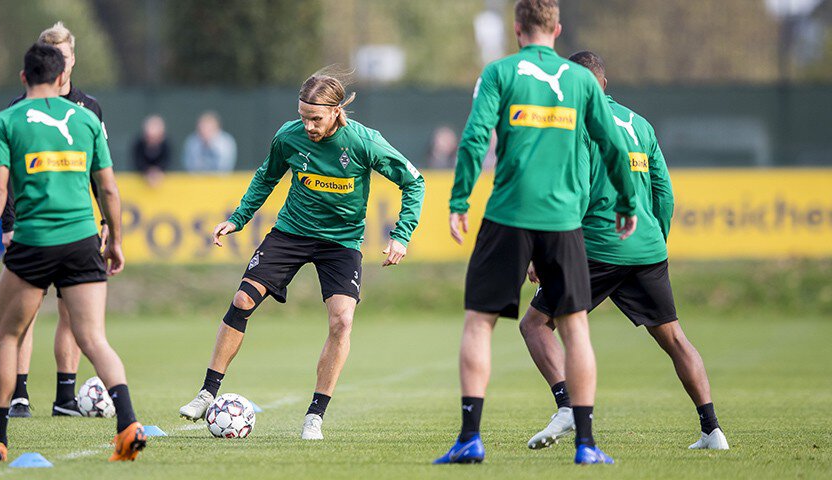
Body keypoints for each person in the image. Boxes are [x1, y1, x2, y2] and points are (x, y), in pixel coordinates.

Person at [435, 0, 638, 465]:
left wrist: (459, 200)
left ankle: (470, 438)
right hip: (564, 222)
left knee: (479, 323)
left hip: (508, 214)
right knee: (576, 328)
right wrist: (628, 200)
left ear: (517, 28)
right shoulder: (583, 81)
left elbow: (473, 138)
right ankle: (586, 445)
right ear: (558, 29)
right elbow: (611, 145)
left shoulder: (500, 72)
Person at [178, 69, 425, 440]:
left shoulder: (364, 143)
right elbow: (266, 176)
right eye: (303, 116)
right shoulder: (288, 136)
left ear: (337, 111)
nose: (308, 125)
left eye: (316, 118)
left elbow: (414, 181)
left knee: (342, 321)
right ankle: (206, 393)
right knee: (242, 299)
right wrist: (238, 219)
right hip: (292, 232)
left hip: (341, 243)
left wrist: (401, 236)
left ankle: (315, 416)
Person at [521, 51, 729, 452]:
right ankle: (712, 430)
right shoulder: (639, 124)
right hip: (646, 248)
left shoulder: (577, 124)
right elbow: (664, 194)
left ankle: (567, 406)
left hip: (597, 247)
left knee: (534, 324)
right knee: (675, 339)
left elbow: (576, 191)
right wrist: (653, 241)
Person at [0, 42, 145, 462]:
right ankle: (129, 425)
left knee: (8, 336)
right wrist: (115, 240)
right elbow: (109, 188)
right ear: (63, 76)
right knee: (94, 339)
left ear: (23, 77)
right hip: (83, 240)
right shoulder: (86, 118)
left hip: (33, 241)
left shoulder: (5, 121)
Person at [1, 21, 109, 419]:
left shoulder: (90, 109)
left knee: (73, 314)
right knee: (23, 313)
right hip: (30, 228)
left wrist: (107, 221)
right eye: (53, 57)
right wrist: (8, 224)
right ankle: (19, 394)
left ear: (73, 59)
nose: (60, 64)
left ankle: (65, 397)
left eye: (65, 56)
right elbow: (6, 180)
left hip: (76, 228)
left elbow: (100, 173)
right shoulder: (17, 111)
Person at [132, 114, 170, 187]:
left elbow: (167, 161)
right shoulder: (138, 145)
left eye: (155, 138)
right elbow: (137, 161)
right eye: (150, 137)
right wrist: (146, 171)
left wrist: (159, 171)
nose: (152, 141)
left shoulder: (166, 146)